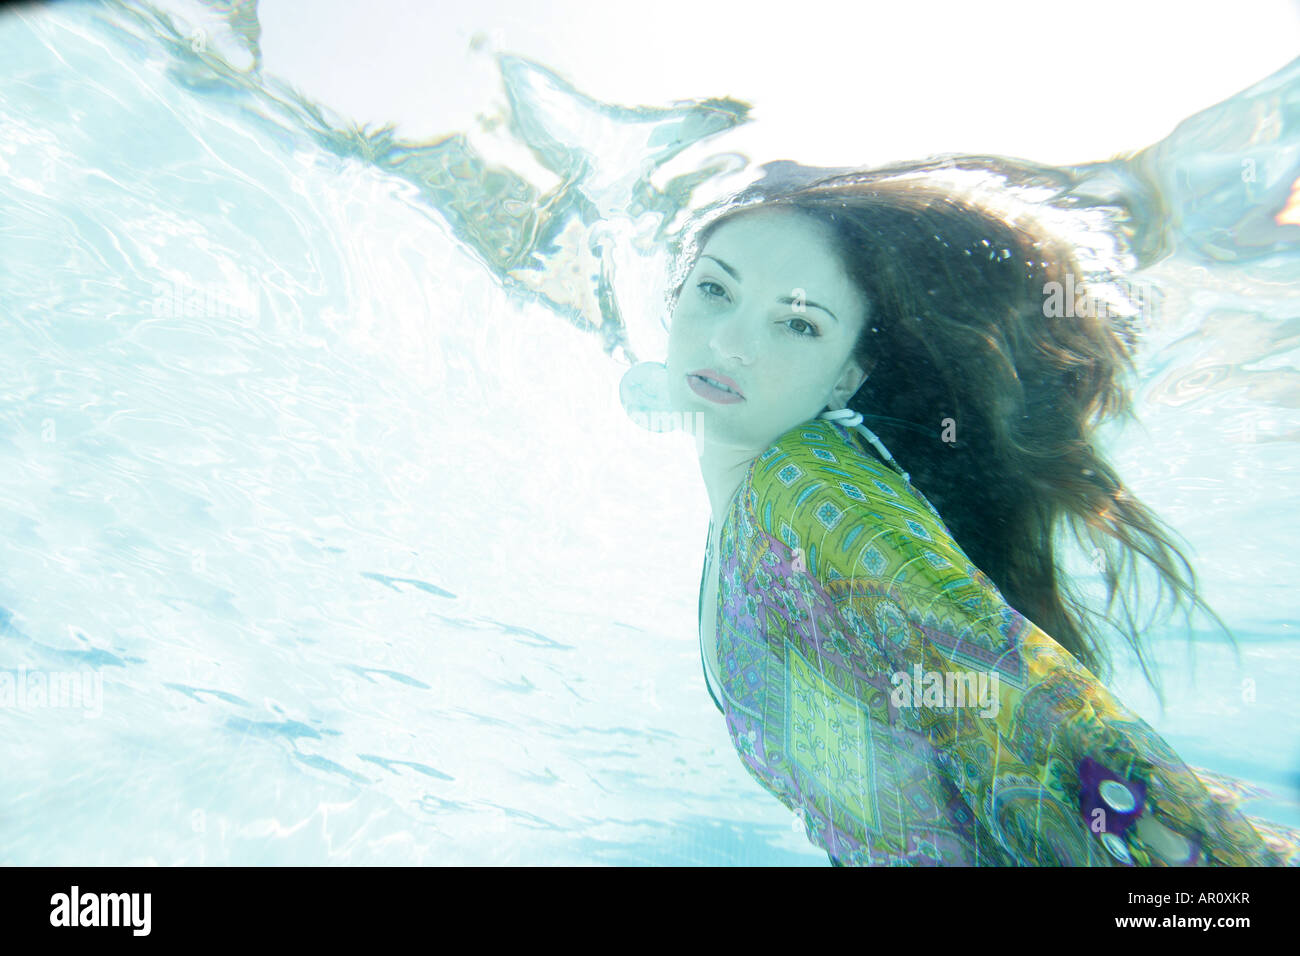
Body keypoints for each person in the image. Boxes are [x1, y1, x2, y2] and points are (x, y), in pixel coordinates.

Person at [657, 165, 1293, 866]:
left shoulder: (806, 487)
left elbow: (1045, 711)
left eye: (799, 323)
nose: (730, 343)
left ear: (846, 373)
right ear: (675, 294)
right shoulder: (754, 509)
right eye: (715, 289)